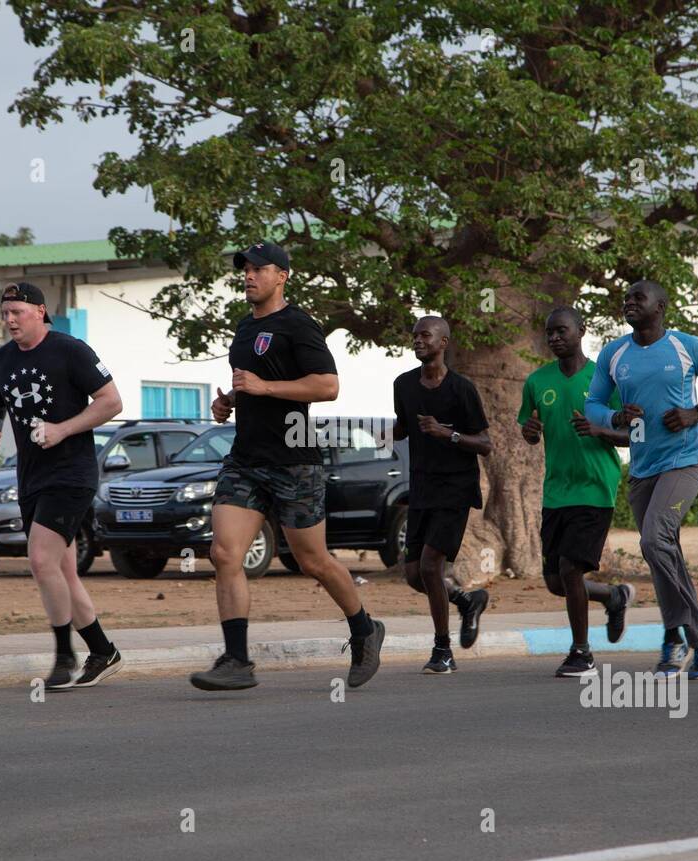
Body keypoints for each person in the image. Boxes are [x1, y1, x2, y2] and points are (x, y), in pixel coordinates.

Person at [190, 242, 384, 692]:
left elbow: (327, 386)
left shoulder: (299, 325)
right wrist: (230, 400)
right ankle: (237, 659)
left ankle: (364, 629)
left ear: (283, 276)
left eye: (260, 268)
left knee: (311, 560)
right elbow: (249, 387)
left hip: (294, 461)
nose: (249, 275)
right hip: (245, 460)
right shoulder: (242, 328)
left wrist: (263, 387)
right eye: (246, 269)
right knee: (223, 553)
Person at [584, 280, 698, 681]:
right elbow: (594, 405)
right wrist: (615, 418)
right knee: (661, 551)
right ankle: (680, 638)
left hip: (683, 461)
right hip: (642, 468)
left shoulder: (688, 346)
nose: (629, 301)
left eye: (638, 297)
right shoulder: (614, 353)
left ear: (661, 306)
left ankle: (696, 636)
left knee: (654, 539)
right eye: (627, 297)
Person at [0, 282, 124, 691]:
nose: (9, 321)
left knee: (41, 560)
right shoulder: (0, 361)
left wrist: (63, 429)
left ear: (40, 312)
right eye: (5, 313)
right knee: (60, 569)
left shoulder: (71, 350)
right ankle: (103, 651)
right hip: (31, 476)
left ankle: (64, 655)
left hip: (72, 473)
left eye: (17, 313)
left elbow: (111, 401)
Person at [518, 306, 634, 678]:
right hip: (556, 491)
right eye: (549, 332)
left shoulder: (605, 380)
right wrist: (531, 432)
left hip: (595, 488)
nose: (554, 338)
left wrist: (601, 431)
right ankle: (613, 597)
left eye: (561, 330)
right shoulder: (537, 381)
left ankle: (581, 653)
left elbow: (633, 434)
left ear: (581, 330)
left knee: (571, 568)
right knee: (556, 582)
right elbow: (528, 429)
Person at [391, 316, 491, 675]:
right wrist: (395, 431)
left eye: (425, 335)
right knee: (415, 574)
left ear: (444, 342)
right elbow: (402, 426)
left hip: (455, 488)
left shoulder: (462, 389)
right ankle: (467, 601)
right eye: (414, 335)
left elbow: (485, 444)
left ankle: (442, 650)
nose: (418, 340)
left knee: (433, 566)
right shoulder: (403, 384)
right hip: (421, 488)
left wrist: (445, 434)